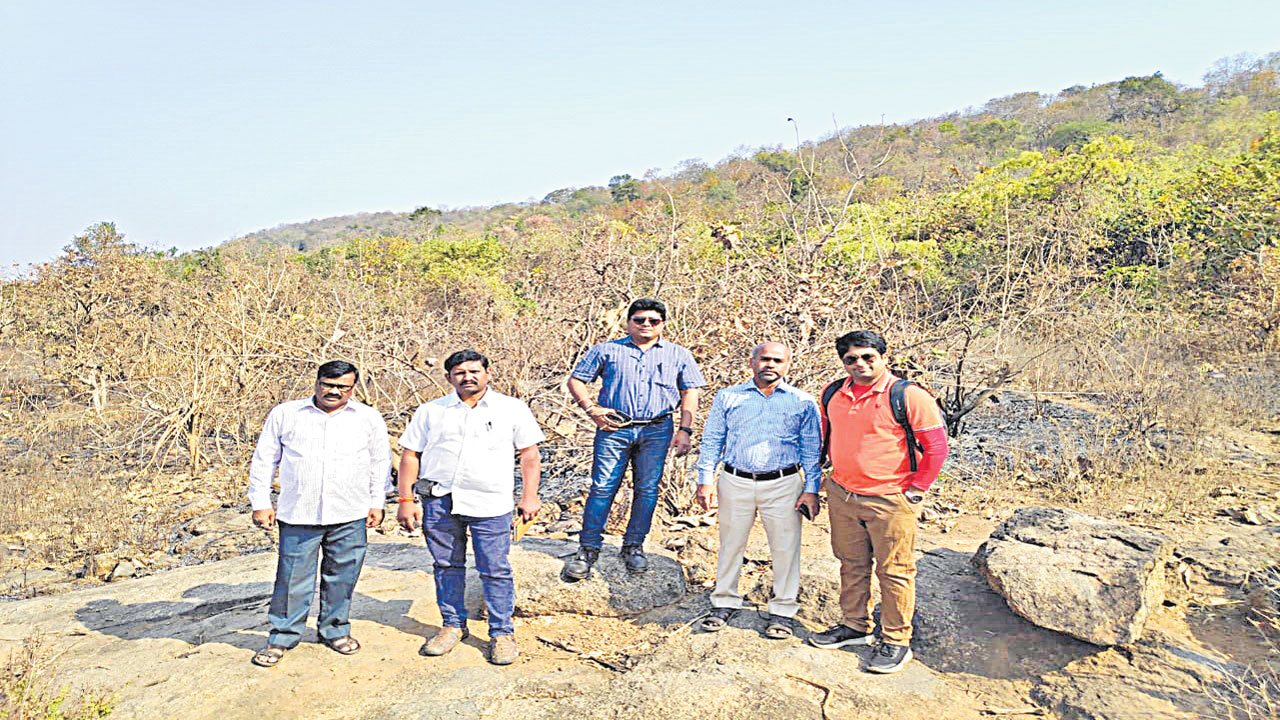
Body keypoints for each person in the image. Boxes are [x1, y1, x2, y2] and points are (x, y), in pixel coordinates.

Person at [807, 330, 949, 674]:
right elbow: (826, 439)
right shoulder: (832, 393)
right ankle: (855, 626)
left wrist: (917, 490)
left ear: (884, 357)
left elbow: (937, 448)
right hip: (843, 493)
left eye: (868, 357)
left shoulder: (908, 396)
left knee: (895, 571)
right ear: (843, 362)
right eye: (851, 359)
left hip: (891, 498)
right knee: (850, 563)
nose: (860, 364)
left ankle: (897, 641)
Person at [396, 349, 544, 666]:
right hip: (439, 500)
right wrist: (406, 500)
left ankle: (502, 634)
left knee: (495, 568)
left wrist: (530, 496)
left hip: (491, 500)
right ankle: (452, 626)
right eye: (460, 372)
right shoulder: (431, 411)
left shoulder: (511, 409)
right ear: (449, 377)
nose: (468, 377)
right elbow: (410, 456)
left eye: (474, 371)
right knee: (446, 565)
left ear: (488, 373)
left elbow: (529, 455)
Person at [247, 360, 391, 668]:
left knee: (343, 575)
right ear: (317, 382)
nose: (334, 391)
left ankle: (334, 630)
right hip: (299, 513)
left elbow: (380, 462)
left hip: (350, 512)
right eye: (328, 384)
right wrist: (260, 501)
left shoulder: (368, 418)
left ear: (353, 388)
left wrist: (376, 502)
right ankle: (282, 636)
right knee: (292, 578)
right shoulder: (286, 414)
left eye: (343, 387)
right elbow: (264, 459)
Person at [564, 298, 706, 579]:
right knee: (603, 487)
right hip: (614, 427)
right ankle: (588, 548)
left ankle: (634, 546)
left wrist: (685, 429)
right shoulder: (607, 350)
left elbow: (690, 391)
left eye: (653, 321)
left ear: (663, 324)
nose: (646, 325)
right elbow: (576, 379)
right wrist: (591, 408)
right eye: (639, 320)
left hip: (657, 428)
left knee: (648, 489)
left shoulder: (678, 355)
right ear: (628, 322)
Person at [694, 342, 821, 639]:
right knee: (730, 543)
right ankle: (724, 600)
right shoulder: (728, 397)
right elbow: (712, 439)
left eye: (778, 360)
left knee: (786, 548)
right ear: (752, 362)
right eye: (765, 359)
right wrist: (705, 479)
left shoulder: (802, 401)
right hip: (734, 479)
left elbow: (811, 449)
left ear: (788, 364)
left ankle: (782, 610)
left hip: (784, 483)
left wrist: (812, 489)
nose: (770, 364)